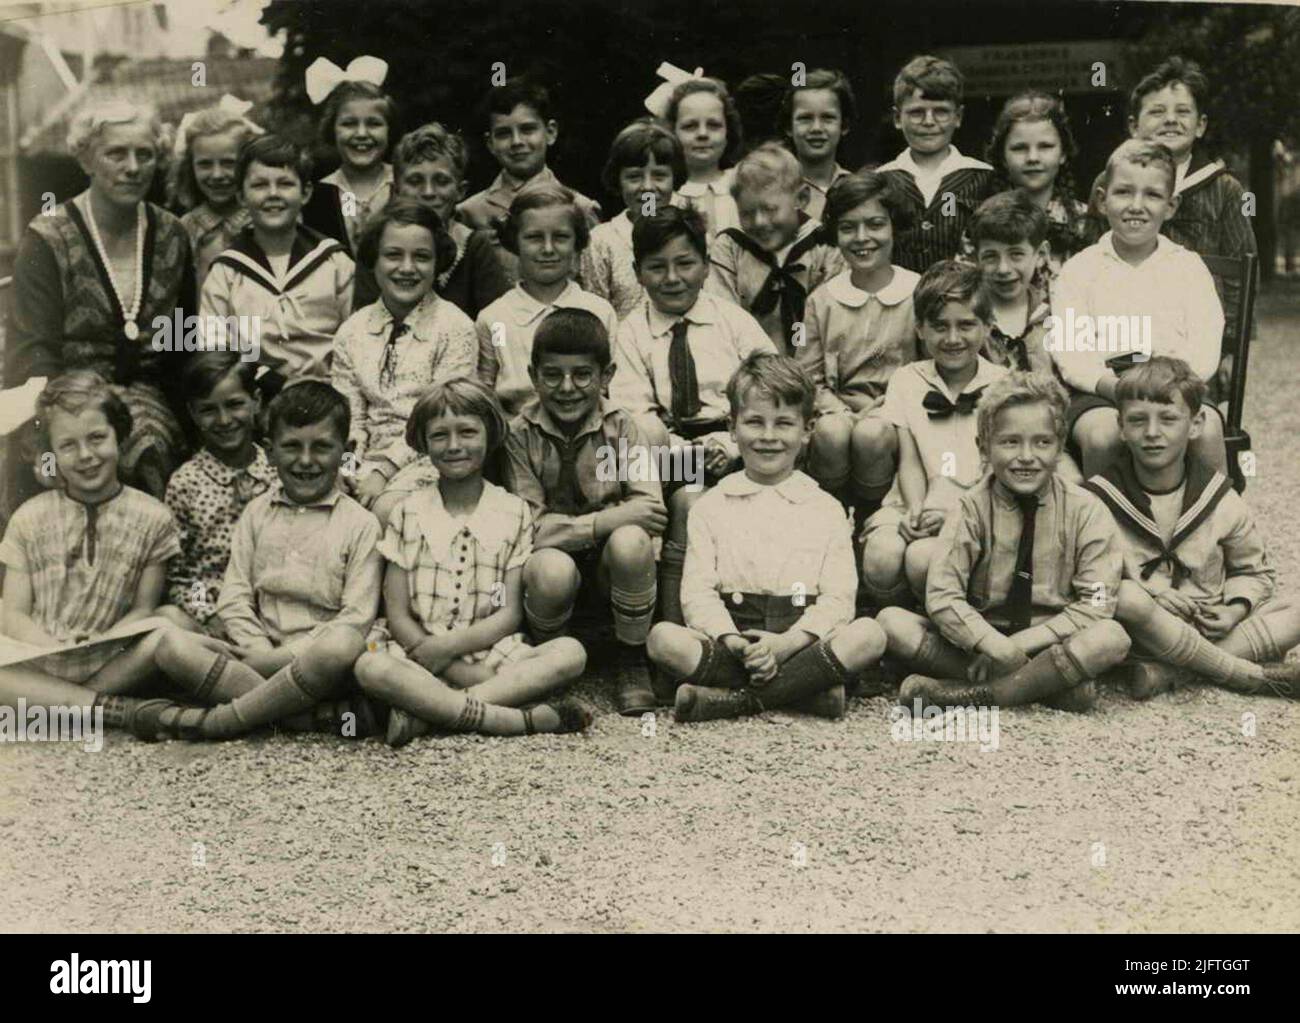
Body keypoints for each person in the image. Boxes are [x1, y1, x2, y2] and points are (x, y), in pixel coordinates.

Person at [646, 352, 887, 722]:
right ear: (732, 427)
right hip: (735, 643)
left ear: (807, 430)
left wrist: (787, 644)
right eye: (755, 422)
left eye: (784, 424)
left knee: (870, 634)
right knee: (663, 639)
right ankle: (805, 694)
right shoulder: (711, 506)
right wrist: (732, 640)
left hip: (801, 641)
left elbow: (839, 598)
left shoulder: (825, 508)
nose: (769, 437)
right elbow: (697, 593)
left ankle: (735, 700)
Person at [136, 381, 383, 740]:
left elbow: (356, 618)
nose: (305, 460)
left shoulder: (361, 524)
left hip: (321, 665)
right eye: (292, 447)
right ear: (269, 451)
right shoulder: (256, 513)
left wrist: (277, 661)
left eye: (322, 447)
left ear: (344, 452)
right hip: (255, 653)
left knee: (344, 643)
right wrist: (258, 650)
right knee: (171, 644)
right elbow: (234, 597)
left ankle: (226, 720)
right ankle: (303, 719)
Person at [355, 378, 593, 746]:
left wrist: (454, 656)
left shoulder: (513, 512)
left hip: (487, 651)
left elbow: (509, 613)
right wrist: (440, 657)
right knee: (369, 664)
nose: (454, 446)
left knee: (570, 653)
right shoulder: (407, 512)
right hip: (417, 651)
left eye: (467, 432)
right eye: (439, 436)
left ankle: (431, 714)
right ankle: (508, 718)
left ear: (491, 435)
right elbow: (397, 611)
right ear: (423, 442)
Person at [879, 371, 1131, 712]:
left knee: (1111, 637)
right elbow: (942, 594)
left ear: (1060, 447)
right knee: (892, 623)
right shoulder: (969, 508)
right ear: (983, 446)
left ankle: (970, 695)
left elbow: (1096, 603)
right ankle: (1044, 687)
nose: (1026, 456)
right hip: (981, 639)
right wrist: (991, 644)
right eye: (1010, 442)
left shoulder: (1087, 510)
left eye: (1042, 442)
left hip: (1051, 638)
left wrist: (1019, 644)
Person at [7, 100, 196, 502]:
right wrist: (49, 432)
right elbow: (32, 350)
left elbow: (183, 340)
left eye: (144, 155)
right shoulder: (48, 237)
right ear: (87, 159)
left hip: (152, 398)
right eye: (116, 153)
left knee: (149, 444)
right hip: (64, 398)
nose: (132, 167)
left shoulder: (173, 235)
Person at [1085, 357, 1300, 699]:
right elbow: (1089, 580)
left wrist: (1235, 609)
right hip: (1140, 633)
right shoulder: (1096, 500)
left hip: (1209, 627)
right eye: (1138, 421)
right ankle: (1242, 672)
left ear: (1196, 424)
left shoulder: (1221, 499)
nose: (1152, 433)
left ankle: (1169, 674)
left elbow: (1255, 572)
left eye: (1169, 419)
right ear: (1121, 427)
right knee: (1126, 598)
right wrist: (1152, 595)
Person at [610, 206, 775, 624]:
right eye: (657, 267)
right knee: (686, 498)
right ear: (637, 271)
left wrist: (731, 444)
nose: (672, 278)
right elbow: (635, 416)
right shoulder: (631, 334)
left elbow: (770, 386)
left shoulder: (732, 322)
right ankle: (669, 625)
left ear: (705, 266)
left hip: (738, 448)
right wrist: (689, 454)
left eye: (685, 264)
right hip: (667, 461)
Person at [0, 373, 181, 735]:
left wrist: (102, 639)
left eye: (97, 438)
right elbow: (14, 613)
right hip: (39, 655)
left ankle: (52, 705)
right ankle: (120, 711)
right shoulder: (29, 518)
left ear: (119, 435)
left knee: (171, 622)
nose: (85, 456)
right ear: (51, 453)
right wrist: (52, 645)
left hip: (111, 656)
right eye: (68, 445)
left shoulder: (154, 518)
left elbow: (144, 609)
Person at [507, 310, 665, 716]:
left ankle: (631, 656)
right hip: (553, 568)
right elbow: (529, 530)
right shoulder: (519, 435)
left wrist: (596, 528)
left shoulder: (623, 429)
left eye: (582, 375)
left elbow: (649, 508)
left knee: (631, 541)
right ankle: (551, 660)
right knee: (550, 567)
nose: (567, 388)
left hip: (611, 568)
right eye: (552, 375)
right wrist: (604, 520)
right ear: (532, 374)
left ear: (606, 375)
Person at [1051, 139, 1225, 477]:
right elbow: (1071, 353)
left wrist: (1166, 387)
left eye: (1153, 195)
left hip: (1176, 390)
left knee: (1207, 430)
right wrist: (1112, 386)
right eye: (1123, 192)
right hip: (1103, 393)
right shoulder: (1079, 270)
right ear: (1102, 200)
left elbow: (1205, 346)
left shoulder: (1188, 268)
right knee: (1102, 437)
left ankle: (1214, 523)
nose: (1136, 206)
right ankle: (1105, 526)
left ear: (1171, 206)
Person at [859, 261, 1006, 608]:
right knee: (882, 555)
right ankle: (893, 626)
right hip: (916, 498)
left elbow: (996, 473)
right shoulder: (907, 380)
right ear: (921, 330)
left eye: (966, 325)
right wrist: (915, 510)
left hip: (977, 508)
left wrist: (957, 514)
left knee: (924, 559)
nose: (953, 338)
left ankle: (941, 628)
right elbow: (909, 459)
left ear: (987, 327)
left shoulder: (1003, 385)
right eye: (940, 327)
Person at [330, 198, 476, 524]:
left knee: (386, 512)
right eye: (393, 255)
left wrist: (382, 474)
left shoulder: (455, 328)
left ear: (437, 263)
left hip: (433, 459)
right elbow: (351, 421)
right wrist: (347, 470)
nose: (407, 268)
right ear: (374, 260)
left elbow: (440, 419)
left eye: (421, 257)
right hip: (365, 466)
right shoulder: (351, 332)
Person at [1125, 56, 1258, 398]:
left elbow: (1240, 276)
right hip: (1127, 333)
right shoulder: (1114, 183)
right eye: (1156, 111)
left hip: (1198, 340)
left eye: (1182, 111)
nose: (1170, 119)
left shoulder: (1224, 188)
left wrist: (1231, 350)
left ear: (1200, 125)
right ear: (1133, 126)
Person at [798, 171, 919, 524]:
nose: (862, 238)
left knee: (872, 433)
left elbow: (930, 369)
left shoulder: (917, 293)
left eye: (875, 224)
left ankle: (871, 513)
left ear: (894, 227)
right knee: (832, 432)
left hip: (898, 418)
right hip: (837, 414)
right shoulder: (822, 300)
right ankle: (832, 518)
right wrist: (839, 410)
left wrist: (886, 408)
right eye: (849, 227)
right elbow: (808, 377)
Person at [200, 134, 355, 391]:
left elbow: (358, 339)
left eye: (285, 184)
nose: (273, 194)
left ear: (305, 193)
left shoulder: (334, 262)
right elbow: (214, 349)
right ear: (240, 196)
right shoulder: (226, 272)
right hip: (258, 394)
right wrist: (267, 381)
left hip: (330, 392)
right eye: (259, 185)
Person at [475, 184, 618, 418]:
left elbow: (609, 388)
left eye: (561, 237)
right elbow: (486, 391)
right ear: (515, 242)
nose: (548, 249)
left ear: (577, 242)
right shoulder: (496, 320)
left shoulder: (599, 312)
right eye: (534, 238)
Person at [163, 352, 275, 635]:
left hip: (275, 610)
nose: (224, 420)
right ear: (193, 413)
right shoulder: (186, 483)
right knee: (168, 622)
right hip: (214, 618)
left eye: (235, 404)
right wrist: (208, 615)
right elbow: (181, 577)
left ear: (257, 402)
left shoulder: (279, 473)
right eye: (208, 410)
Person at [353, 122, 510, 318]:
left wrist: (497, 345)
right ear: (396, 191)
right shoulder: (376, 244)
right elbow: (364, 318)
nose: (428, 193)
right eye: (415, 181)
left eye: (442, 181)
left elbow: (499, 320)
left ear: (460, 191)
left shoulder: (474, 247)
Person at [458, 77, 602, 284]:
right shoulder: (471, 213)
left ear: (550, 132)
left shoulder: (581, 207)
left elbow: (594, 281)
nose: (517, 142)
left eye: (527, 129)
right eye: (504, 133)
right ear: (490, 144)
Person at [708, 142, 844, 356]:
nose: (760, 222)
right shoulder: (730, 248)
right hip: (747, 363)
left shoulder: (824, 247)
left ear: (801, 198)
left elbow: (824, 324)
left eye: (770, 209)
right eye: (747, 213)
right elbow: (724, 318)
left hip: (811, 366)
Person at [876, 55, 993, 273]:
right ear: (897, 118)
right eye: (916, 112)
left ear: (958, 117)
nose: (929, 121)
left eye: (940, 111)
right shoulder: (879, 180)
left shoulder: (986, 178)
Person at [579, 119, 687, 319]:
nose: (647, 187)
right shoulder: (601, 241)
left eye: (659, 176)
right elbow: (596, 310)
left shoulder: (689, 230)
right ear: (618, 180)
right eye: (635, 177)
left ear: (675, 178)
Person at [979, 90, 1093, 280]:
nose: (1033, 158)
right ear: (1003, 157)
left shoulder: (1086, 221)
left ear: (1063, 153)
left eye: (1045, 146)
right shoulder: (983, 222)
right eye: (1020, 148)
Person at [300, 56, 397, 255]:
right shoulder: (320, 195)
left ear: (389, 129)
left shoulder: (406, 184)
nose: (361, 134)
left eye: (373, 123)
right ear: (332, 129)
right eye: (349, 124)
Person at [168, 94, 262, 285]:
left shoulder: (266, 220)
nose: (217, 175)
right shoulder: (185, 229)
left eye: (229, 163)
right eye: (205, 164)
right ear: (190, 167)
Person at [665, 76, 743, 243]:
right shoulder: (664, 194)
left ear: (728, 132)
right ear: (672, 132)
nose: (702, 134)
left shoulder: (744, 182)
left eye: (713, 125)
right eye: (690, 126)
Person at [781, 68, 856, 222]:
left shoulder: (857, 188)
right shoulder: (776, 189)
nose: (816, 128)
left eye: (828, 117)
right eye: (805, 118)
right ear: (789, 126)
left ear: (844, 125)